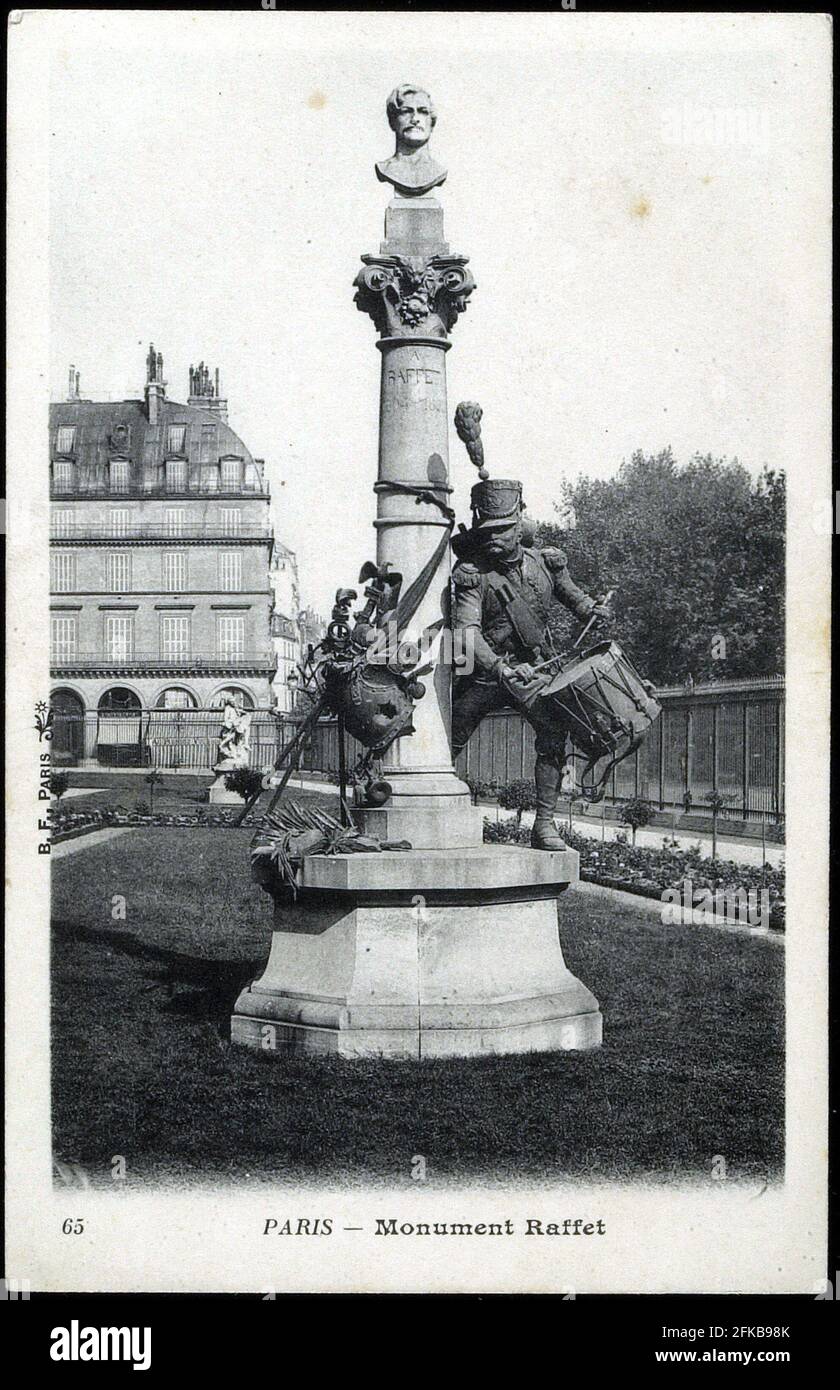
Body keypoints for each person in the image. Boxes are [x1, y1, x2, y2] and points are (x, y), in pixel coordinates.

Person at [451, 478, 612, 849]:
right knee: (449, 742)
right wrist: (499, 668)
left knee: (553, 738)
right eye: (487, 530)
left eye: (504, 529)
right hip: (486, 677)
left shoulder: (546, 564)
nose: (495, 537)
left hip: (536, 673)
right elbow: (467, 632)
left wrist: (592, 609)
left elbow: (574, 597)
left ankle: (544, 826)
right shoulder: (473, 574)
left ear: (520, 521)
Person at [376, 84, 447, 197]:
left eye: (423, 112)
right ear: (392, 122)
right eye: (406, 111)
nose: (414, 119)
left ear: (432, 123)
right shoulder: (385, 169)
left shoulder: (438, 171)